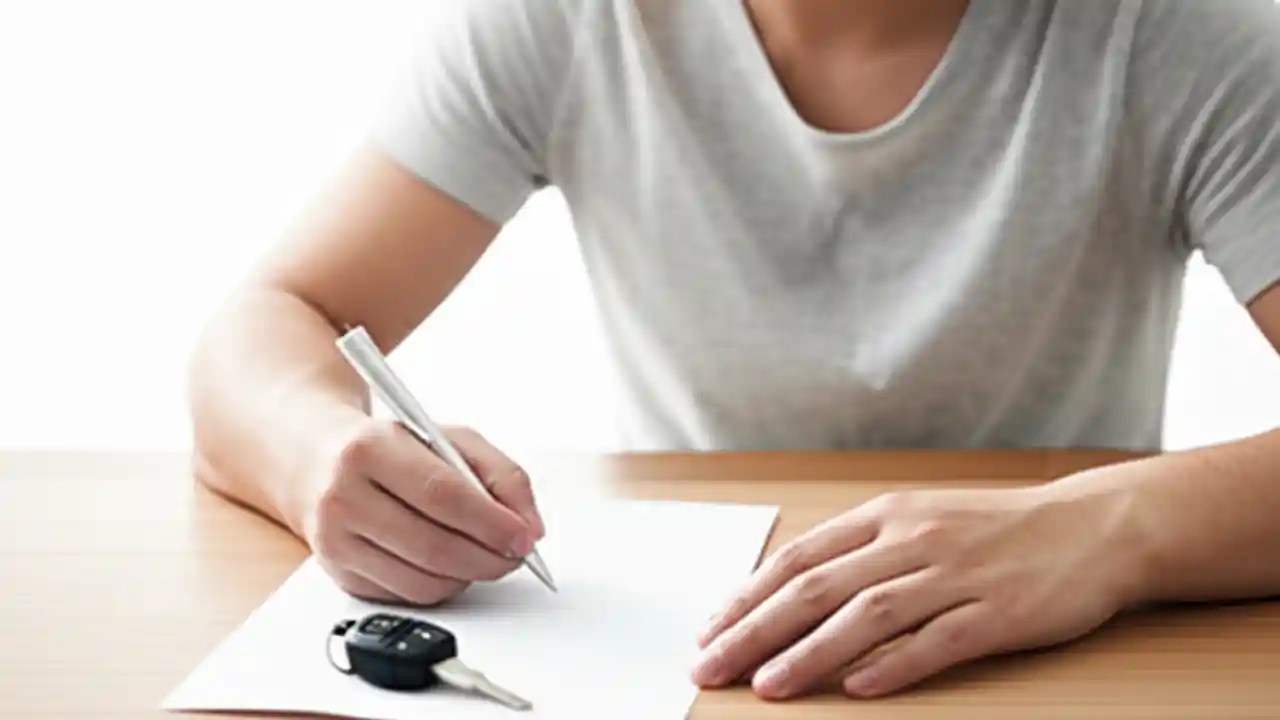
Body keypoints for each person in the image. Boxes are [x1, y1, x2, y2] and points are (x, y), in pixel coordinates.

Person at [188, 0, 1280, 701]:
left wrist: (1106, 532)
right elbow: (272, 314)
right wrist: (314, 450)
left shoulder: (1178, 36)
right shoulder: (563, 22)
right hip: (697, 656)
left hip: (1062, 661)